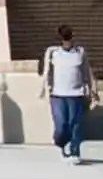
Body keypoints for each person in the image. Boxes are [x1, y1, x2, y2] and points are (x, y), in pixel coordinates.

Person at [40, 25, 99, 165]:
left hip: (76, 94)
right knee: (61, 125)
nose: (69, 41)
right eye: (66, 39)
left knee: (75, 124)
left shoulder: (80, 53)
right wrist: (43, 89)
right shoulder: (53, 52)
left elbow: (87, 73)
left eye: (70, 38)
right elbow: (46, 72)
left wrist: (93, 92)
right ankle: (61, 143)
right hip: (58, 94)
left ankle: (74, 151)